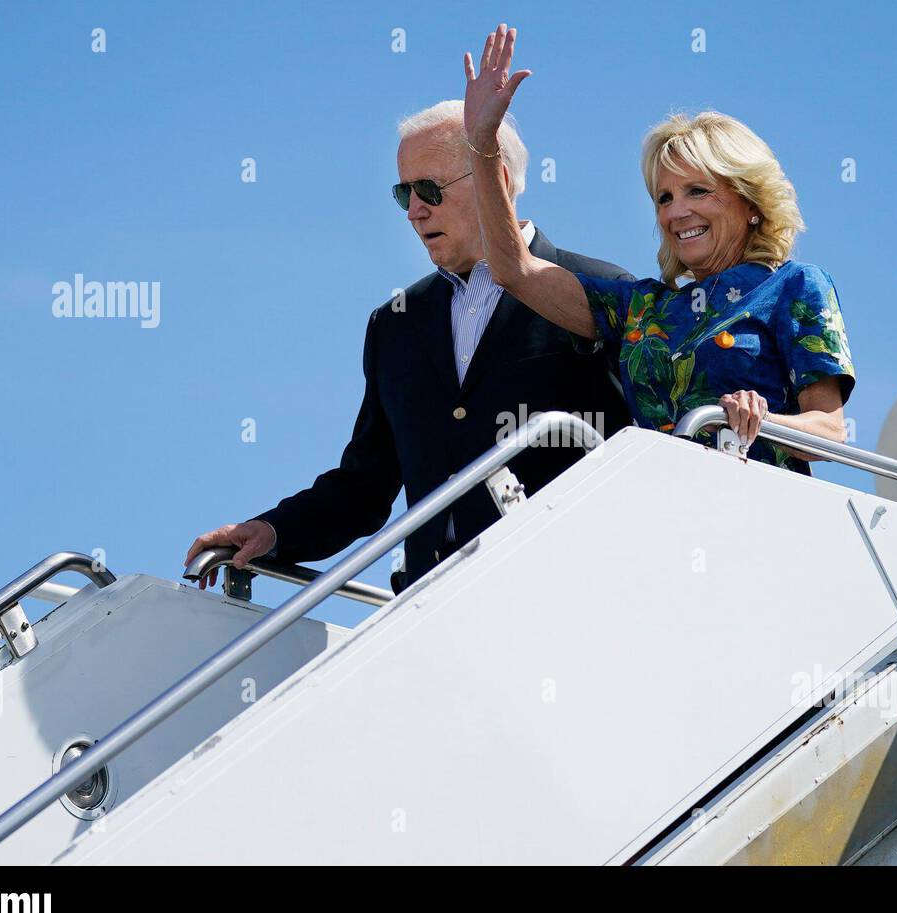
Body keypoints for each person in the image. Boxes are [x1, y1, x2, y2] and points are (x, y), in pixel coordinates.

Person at [185, 100, 633, 592]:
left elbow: (643, 454)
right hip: (431, 615)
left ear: (498, 182)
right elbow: (365, 486)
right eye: (404, 194)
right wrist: (272, 531)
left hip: (569, 602)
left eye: (430, 190)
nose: (416, 210)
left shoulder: (600, 291)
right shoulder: (395, 325)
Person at [461, 25, 855, 471]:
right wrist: (483, 143)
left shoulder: (795, 286)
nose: (676, 212)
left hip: (757, 519)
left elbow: (830, 432)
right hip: (659, 518)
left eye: (697, 191)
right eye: (664, 198)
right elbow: (514, 269)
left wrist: (760, 421)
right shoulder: (639, 307)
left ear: (750, 202)